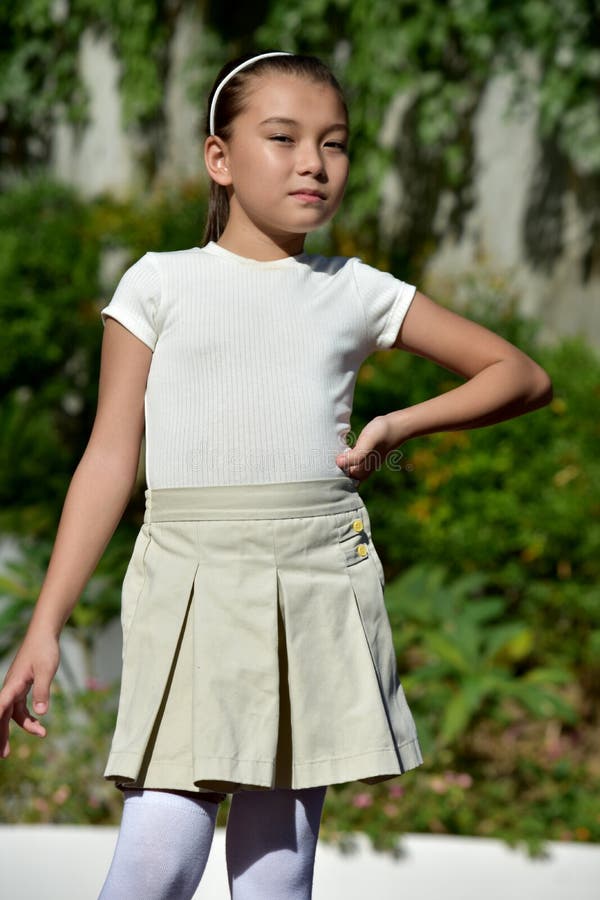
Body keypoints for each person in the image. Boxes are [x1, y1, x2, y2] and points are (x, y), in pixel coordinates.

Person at [0, 50, 552, 899]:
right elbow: (110, 457)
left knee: (275, 878)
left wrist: (399, 425)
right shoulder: (159, 284)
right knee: (159, 860)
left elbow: (519, 375)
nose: (313, 164)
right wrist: (45, 625)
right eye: (283, 138)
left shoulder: (358, 291)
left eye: (334, 144)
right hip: (190, 584)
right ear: (218, 158)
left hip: (312, 582)